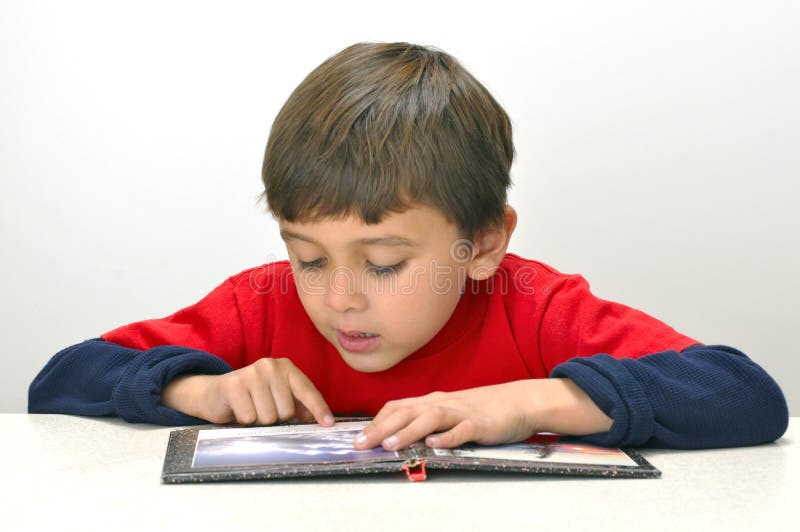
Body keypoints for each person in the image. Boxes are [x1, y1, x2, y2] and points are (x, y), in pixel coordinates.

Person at [29, 42, 788, 452]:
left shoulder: (530, 307)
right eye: (309, 255)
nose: (338, 298)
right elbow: (61, 381)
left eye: (384, 262)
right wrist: (199, 392)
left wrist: (528, 402)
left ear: (484, 243)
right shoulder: (261, 304)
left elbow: (746, 396)